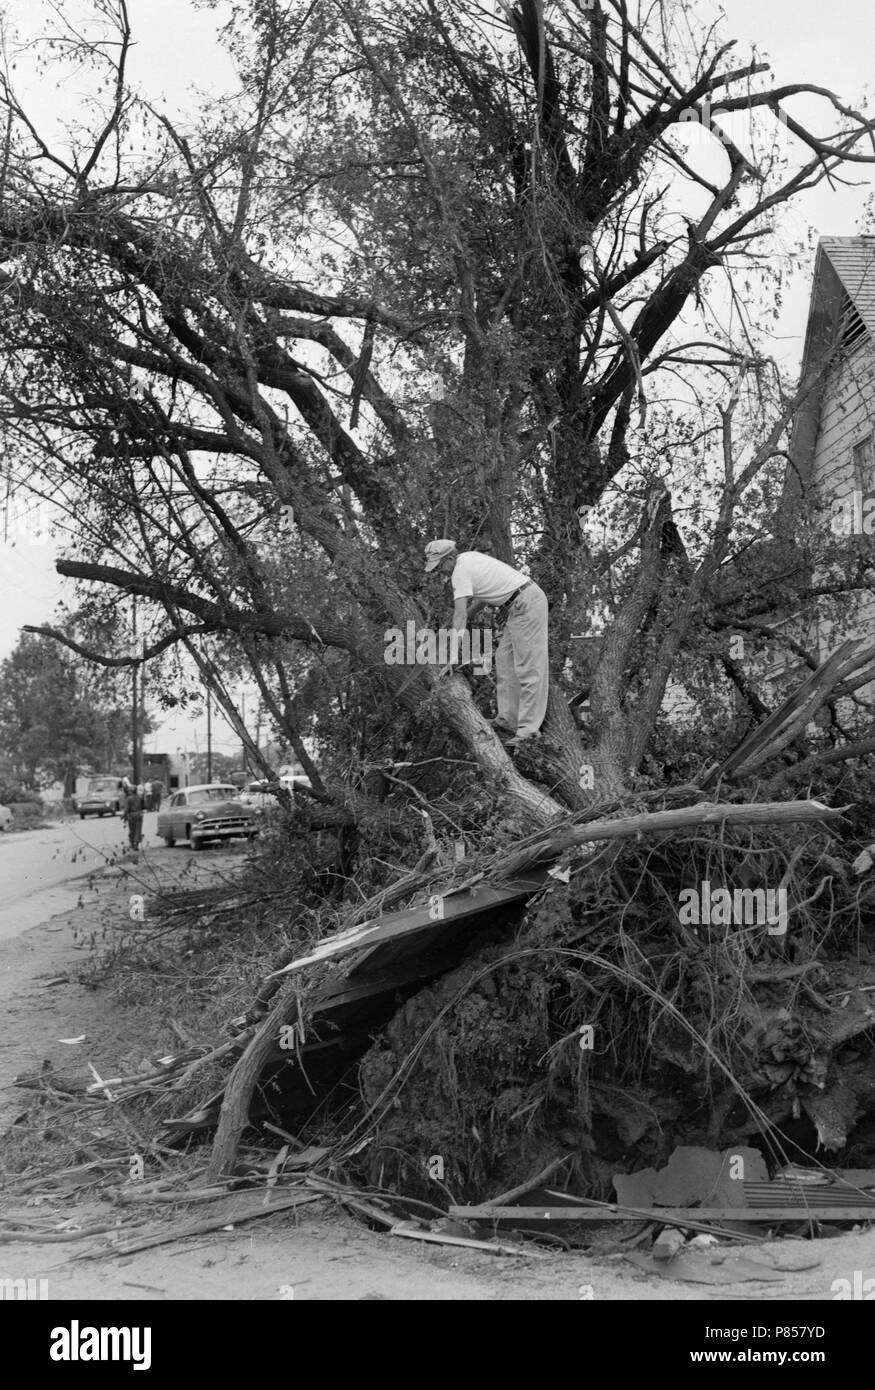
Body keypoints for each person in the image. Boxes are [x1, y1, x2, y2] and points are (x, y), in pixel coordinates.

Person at [424, 538, 549, 746]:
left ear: (451, 558)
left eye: (440, 566)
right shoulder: (468, 558)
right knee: (503, 660)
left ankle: (528, 732)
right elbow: (482, 597)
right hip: (518, 605)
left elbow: (460, 615)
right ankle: (508, 720)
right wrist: (466, 616)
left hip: (526, 604)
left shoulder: (459, 573)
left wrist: (453, 656)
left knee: (529, 668)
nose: (439, 572)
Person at [123, 785, 144, 850]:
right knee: (138, 830)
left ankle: (132, 844)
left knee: (132, 830)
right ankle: (136, 845)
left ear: (131, 791)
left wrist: (124, 816)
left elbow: (126, 809)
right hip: (139, 815)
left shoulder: (128, 799)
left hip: (132, 816)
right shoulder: (138, 798)